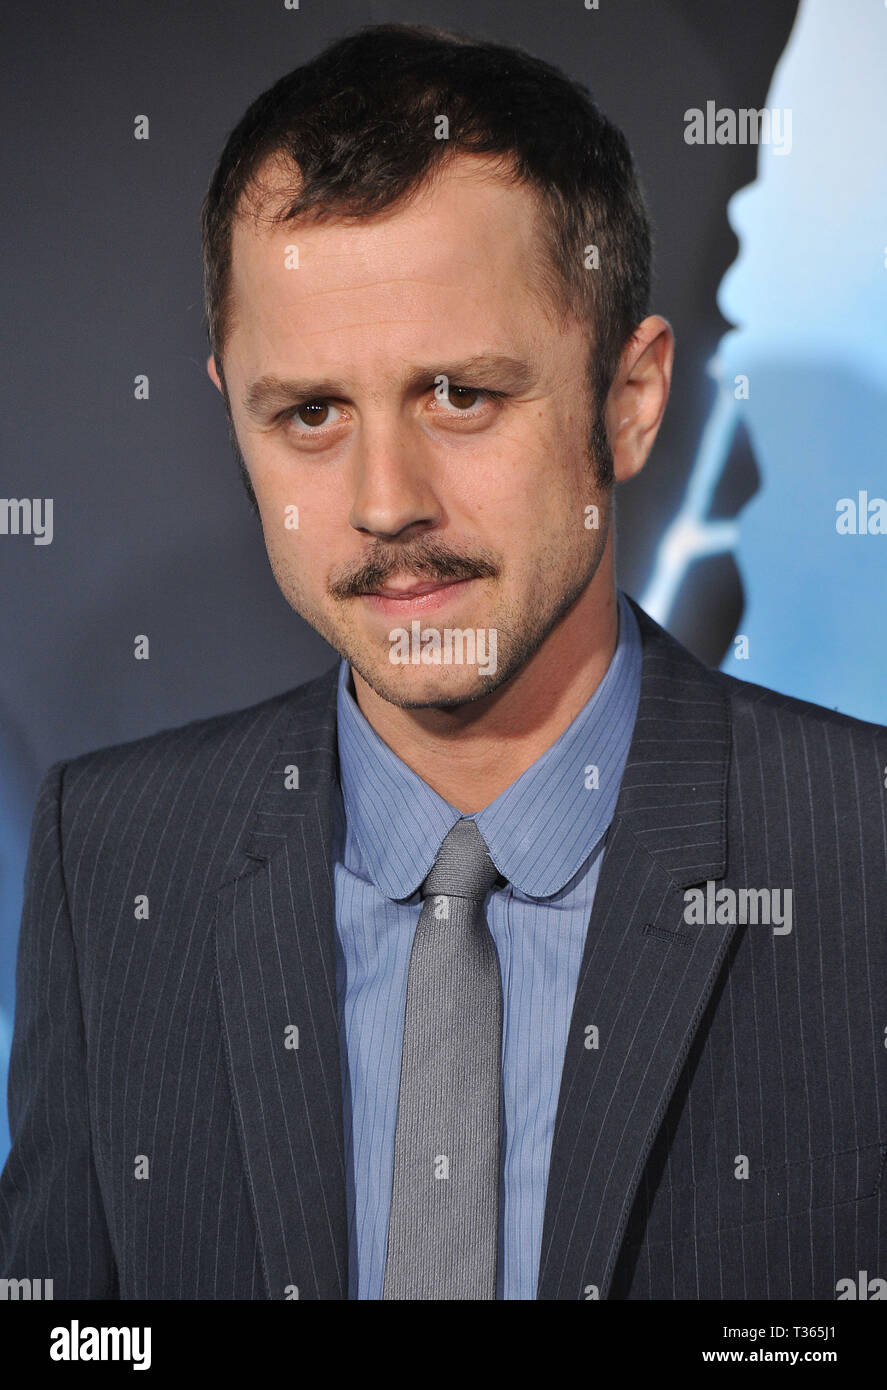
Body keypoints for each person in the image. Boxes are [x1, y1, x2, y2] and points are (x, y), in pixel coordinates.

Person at [1, 22, 884, 1301]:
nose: (382, 501)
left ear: (627, 402)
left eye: (459, 395)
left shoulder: (856, 852)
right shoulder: (114, 857)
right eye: (310, 413)